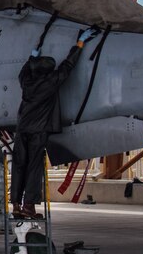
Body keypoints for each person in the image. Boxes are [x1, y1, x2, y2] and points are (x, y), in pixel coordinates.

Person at [10, 29, 94, 218]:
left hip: (22, 129)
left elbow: (22, 73)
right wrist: (79, 43)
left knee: (18, 165)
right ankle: (29, 206)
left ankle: (15, 204)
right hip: (39, 131)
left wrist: (31, 57)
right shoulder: (50, 82)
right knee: (34, 168)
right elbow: (68, 66)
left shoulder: (27, 83)